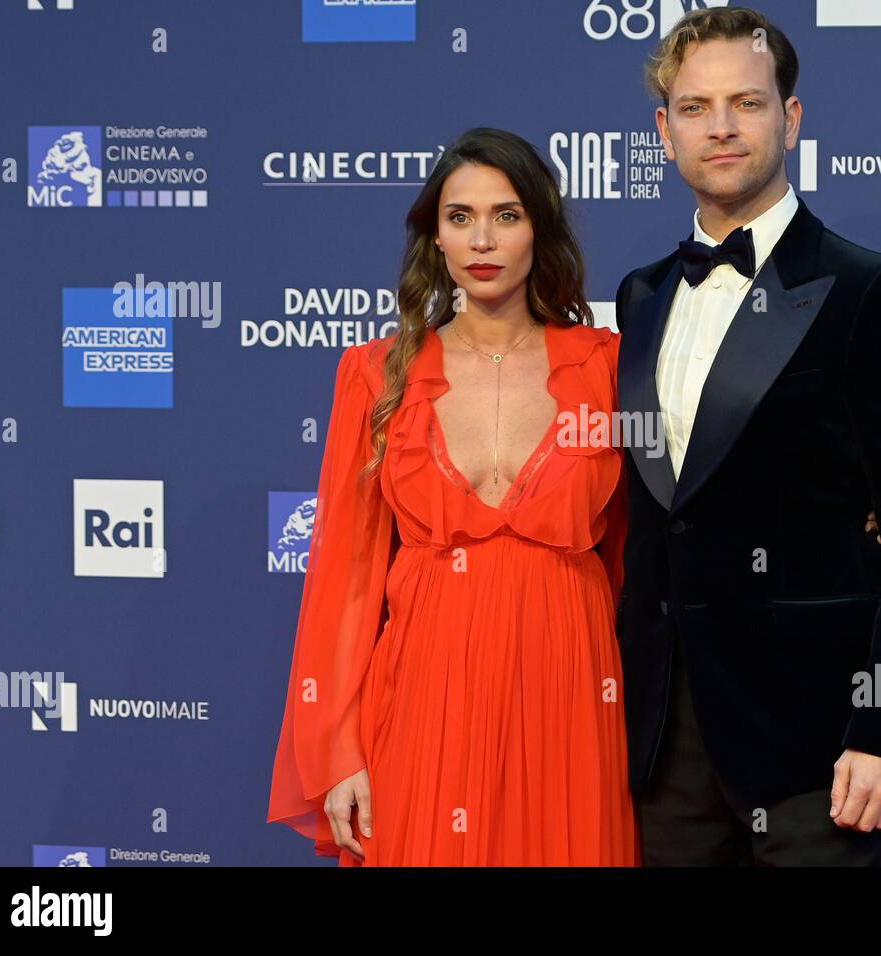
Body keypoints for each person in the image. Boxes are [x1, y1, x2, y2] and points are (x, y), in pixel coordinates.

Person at [614, 6, 881, 865]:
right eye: (696, 108)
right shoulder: (643, 296)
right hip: (664, 747)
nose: (723, 127)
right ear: (665, 132)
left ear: (792, 117)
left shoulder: (869, 292)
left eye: (748, 101)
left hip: (817, 748)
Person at [267, 128, 638, 866]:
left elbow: (649, 548)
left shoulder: (610, 367)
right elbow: (344, 575)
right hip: (426, 689)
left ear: (541, 227)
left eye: (506, 215)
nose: (482, 240)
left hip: (571, 686)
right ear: (434, 236)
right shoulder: (377, 374)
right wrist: (338, 749)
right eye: (459, 217)